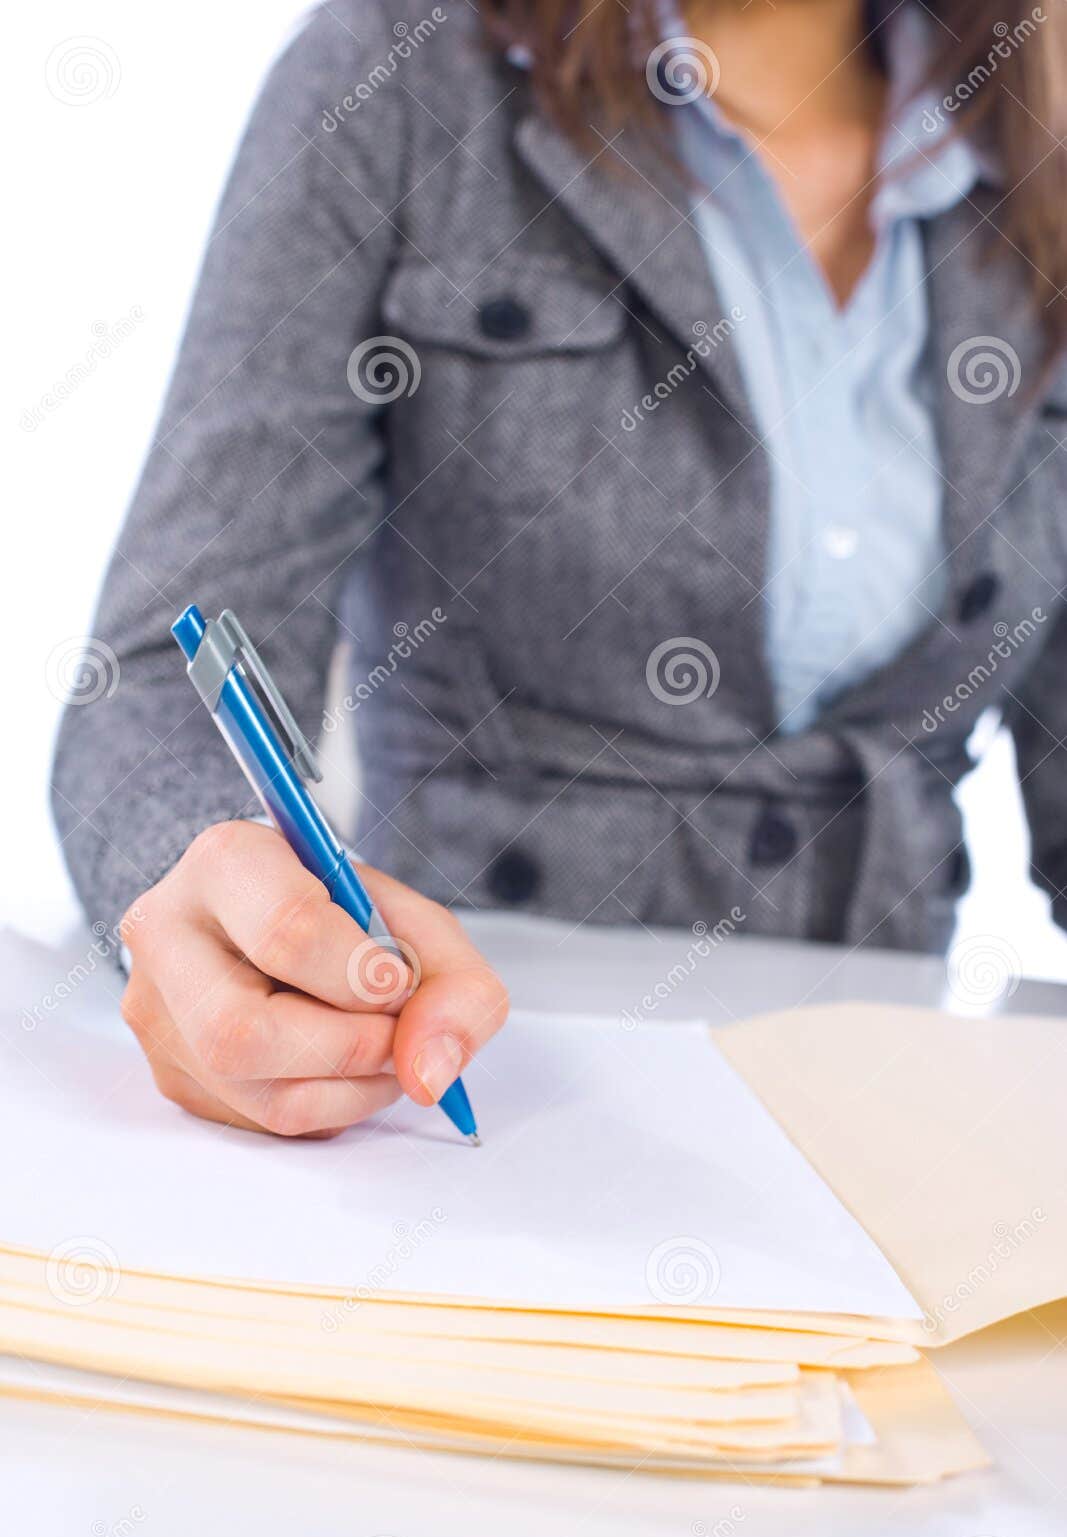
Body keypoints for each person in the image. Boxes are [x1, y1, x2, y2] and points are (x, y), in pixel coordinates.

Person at [52, 0, 1067, 1137]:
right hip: (469, 1093)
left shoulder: (1033, 131)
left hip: (888, 1113)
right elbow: (155, 683)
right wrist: (201, 885)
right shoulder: (401, 73)